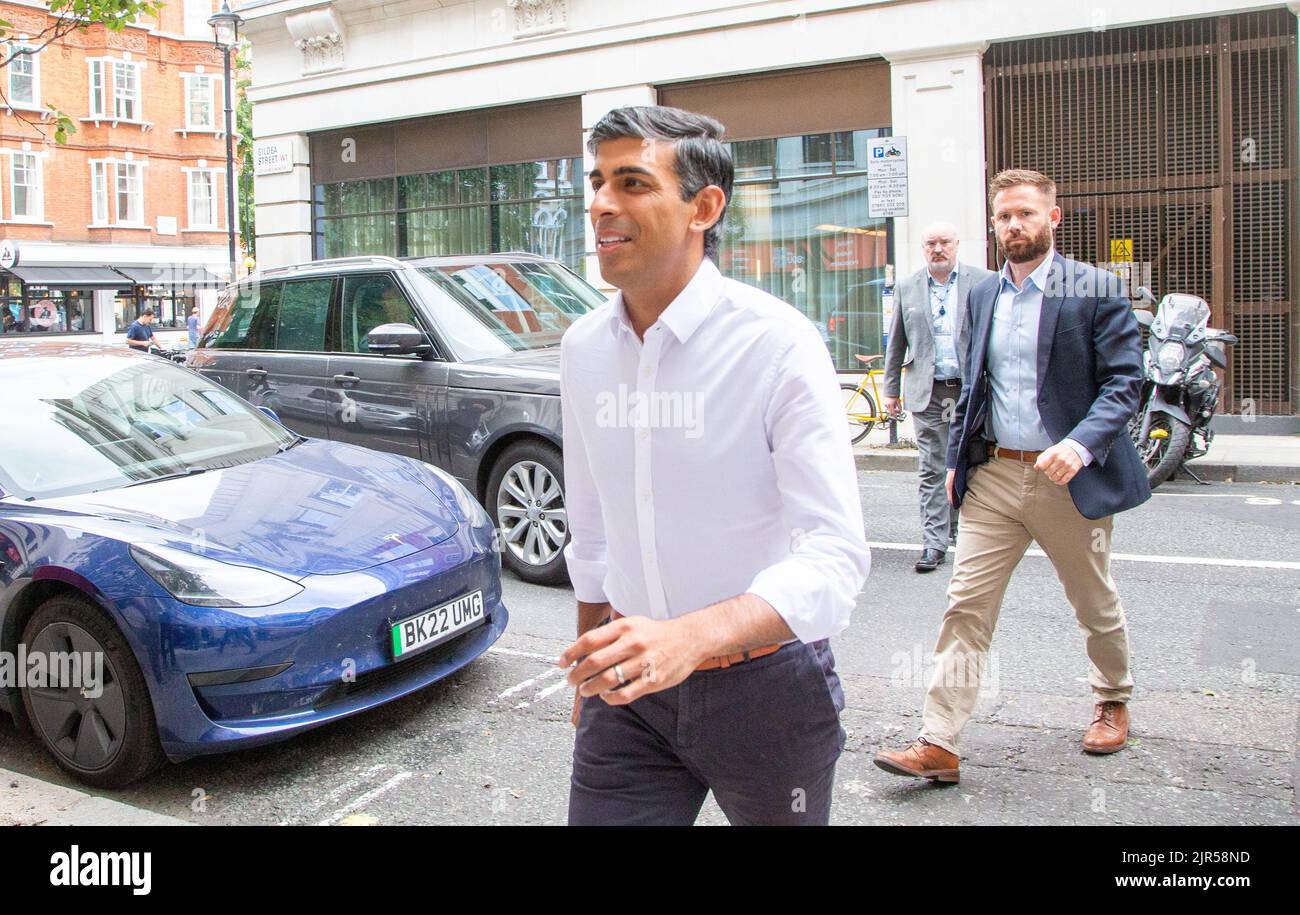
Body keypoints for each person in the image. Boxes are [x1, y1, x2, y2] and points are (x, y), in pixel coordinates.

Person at [558, 106, 870, 825]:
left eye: (632, 182)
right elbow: (594, 526)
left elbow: (836, 557)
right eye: (598, 181)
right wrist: (589, 664)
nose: (601, 203)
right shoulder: (583, 349)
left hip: (767, 691)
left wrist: (688, 637)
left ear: (704, 206)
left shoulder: (777, 344)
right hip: (627, 695)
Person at [873, 168, 1150, 784]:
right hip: (996, 474)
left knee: (1093, 601)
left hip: (1067, 478)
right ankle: (939, 740)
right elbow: (975, 386)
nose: (1013, 226)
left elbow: (1125, 382)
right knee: (965, 605)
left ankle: (1112, 696)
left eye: (1025, 213)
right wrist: (954, 463)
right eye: (1002, 217)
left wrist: (1080, 446)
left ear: (1053, 217)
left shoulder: (1095, 287)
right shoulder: (982, 294)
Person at [883, 222, 993, 572]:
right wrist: (890, 390)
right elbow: (896, 342)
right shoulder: (908, 286)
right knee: (932, 468)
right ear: (923, 248)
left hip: (971, 389)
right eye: (931, 243)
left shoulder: (984, 281)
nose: (938, 249)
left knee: (971, 464)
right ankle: (934, 542)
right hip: (927, 390)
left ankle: (964, 533)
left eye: (944, 242)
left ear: (957, 244)